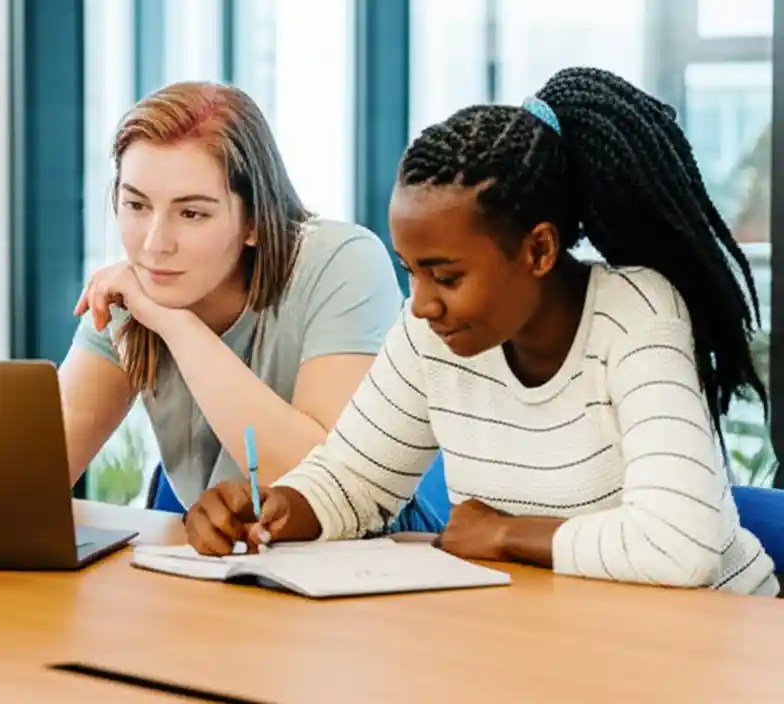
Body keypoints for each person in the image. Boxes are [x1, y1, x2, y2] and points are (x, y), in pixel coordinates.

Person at [185, 67, 778, 596]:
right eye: (410, 271)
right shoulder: (432, 337)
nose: (420, 305)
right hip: (564, 633)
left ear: (539, 250)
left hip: (714, 639)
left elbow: (681, 547)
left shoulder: (636, 316)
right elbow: (355, 477)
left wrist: (503, 534)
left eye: (445, 275)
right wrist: (276, 508)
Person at [59, 81, 402, 511]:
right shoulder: (130, 297)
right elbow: (29, 481)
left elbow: (325, 491)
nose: (154, 245)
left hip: (363, 560)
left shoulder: (342, 263)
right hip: (213, 559)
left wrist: (176, 325)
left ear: (255, 220)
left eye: (192, 213)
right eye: (136, 205)